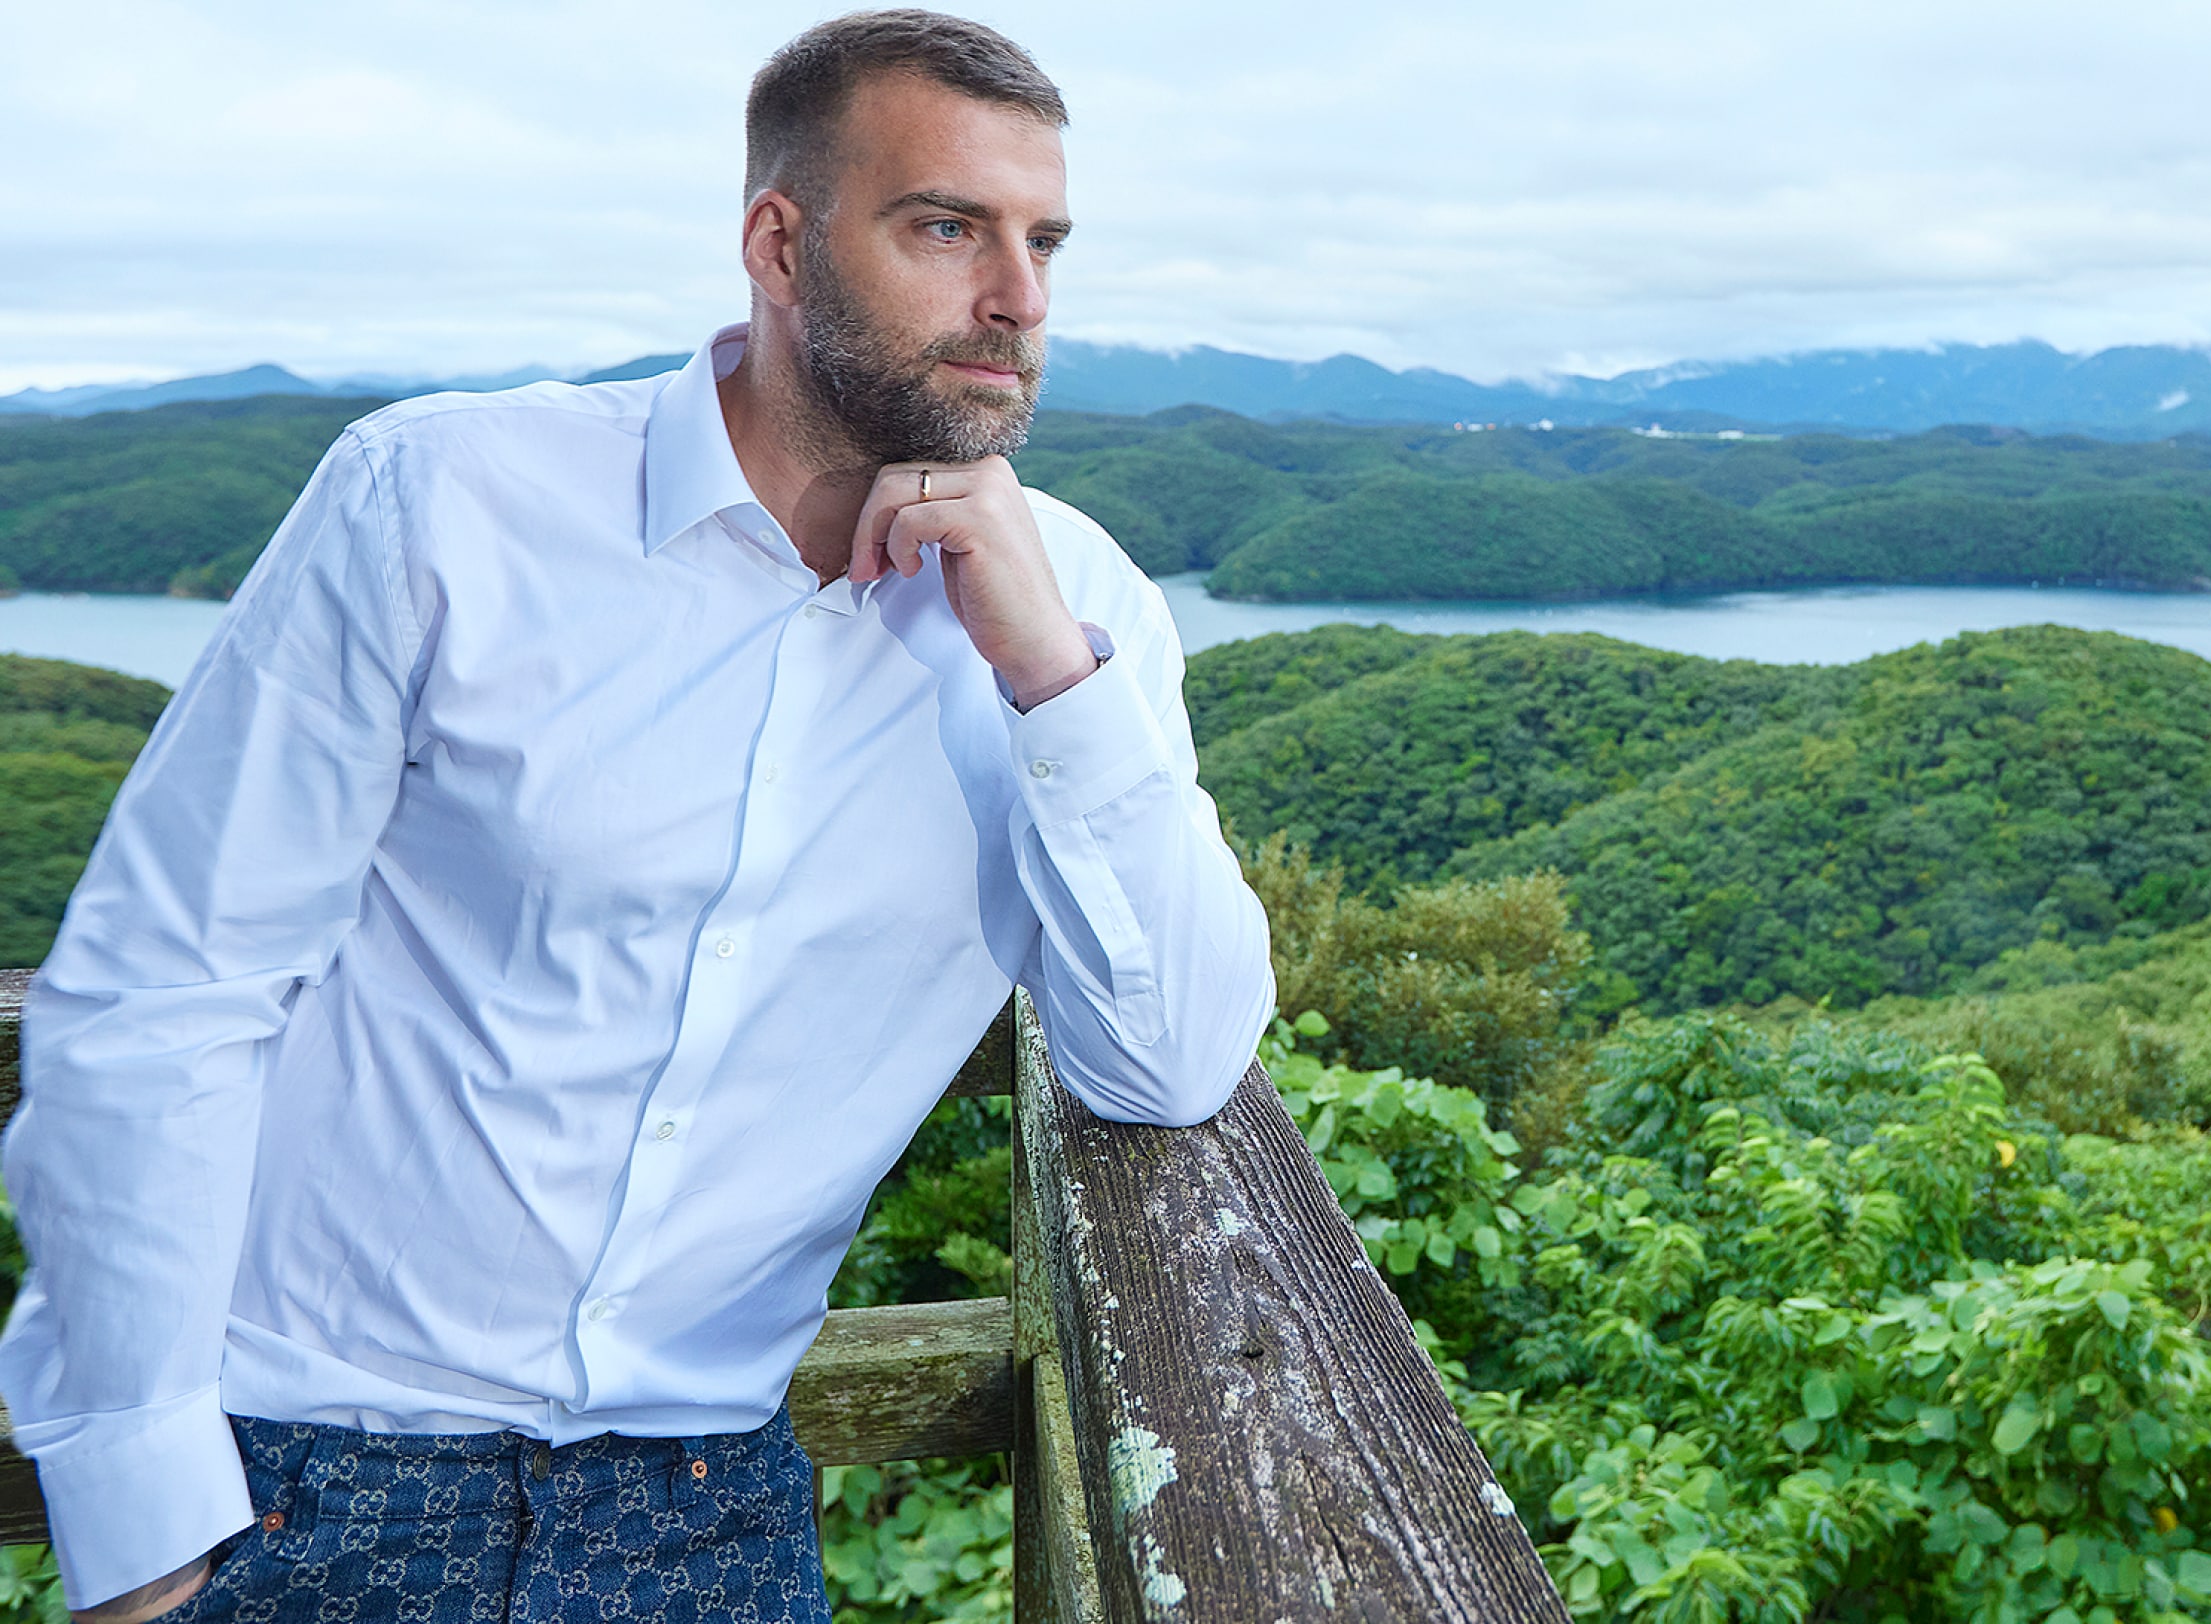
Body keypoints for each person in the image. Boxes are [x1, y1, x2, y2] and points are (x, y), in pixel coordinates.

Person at [0, 11, 1272, 1619]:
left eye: (1045, 241)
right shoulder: (441, 501)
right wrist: (145, 1532)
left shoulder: (1077, 614)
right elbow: (164, 987)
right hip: (307, 1461)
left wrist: (1046, 675)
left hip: (702, 1498)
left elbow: (1168, 1064)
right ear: (778, 240)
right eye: (947, 227)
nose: (1016, 297)